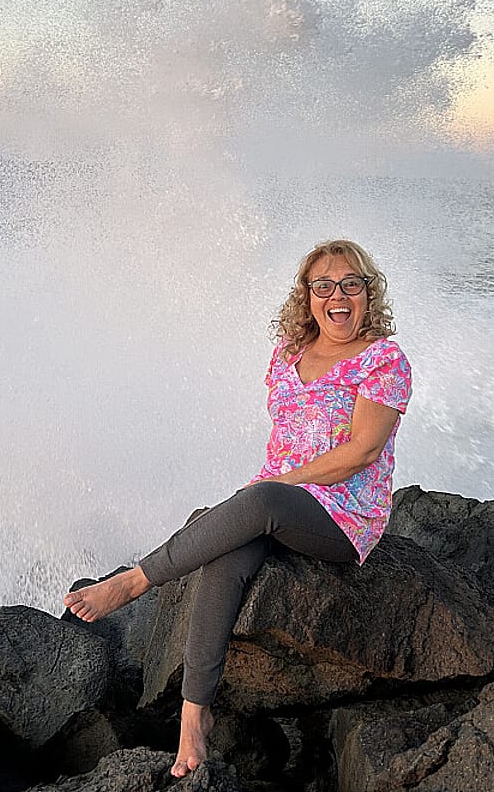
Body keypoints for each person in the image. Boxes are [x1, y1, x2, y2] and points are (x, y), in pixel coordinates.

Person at [64, 238, 412, 777]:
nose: (337, 296)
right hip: (276, 501)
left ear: (369, 293)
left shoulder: (384, 358)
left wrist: (281, 485)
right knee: (226, 554)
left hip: (344, 515)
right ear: (308, 296)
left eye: (351, 284)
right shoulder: (287, 355)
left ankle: (135, 581)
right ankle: (192, 719)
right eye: (323, 286)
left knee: (259, 502)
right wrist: (272, 490)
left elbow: (362, 450)